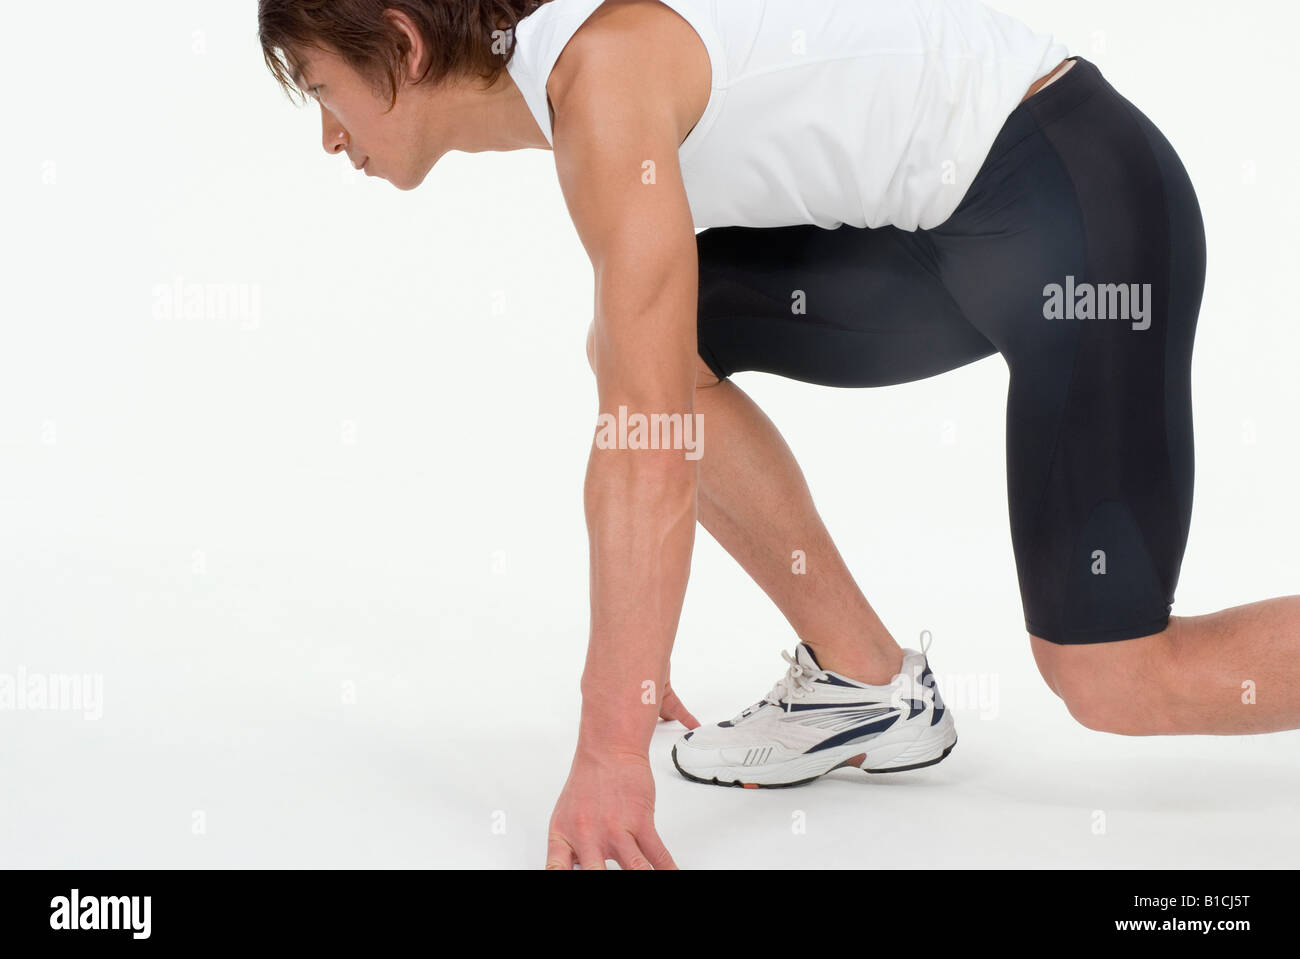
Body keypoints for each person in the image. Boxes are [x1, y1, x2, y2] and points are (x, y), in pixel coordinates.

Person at [257, 0, 1300, 870]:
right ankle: (869, 681)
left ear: (398, 42)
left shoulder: (603, 82)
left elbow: (647, 447)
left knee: (1113, 678)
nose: (327, 134)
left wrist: (611, 742)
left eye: (318, 87)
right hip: (940, 235)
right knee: (654, 348)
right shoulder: (573, 65)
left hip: (1079, 206)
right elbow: (650, 401)